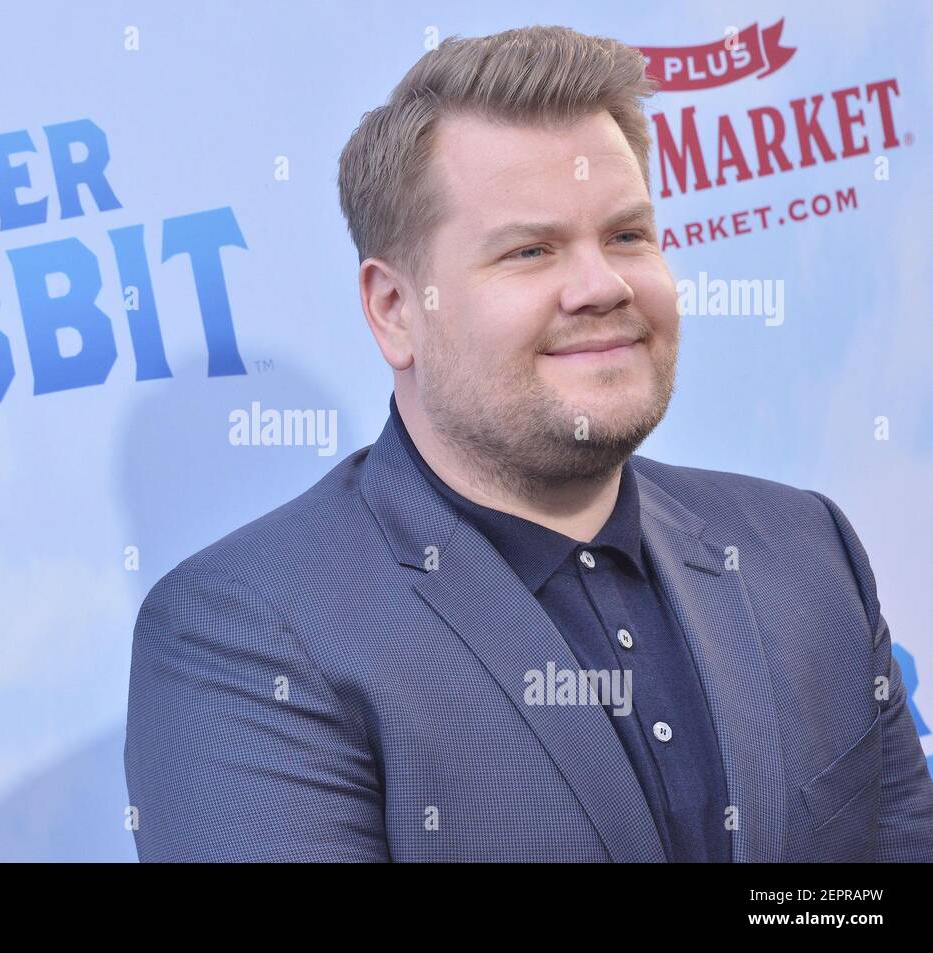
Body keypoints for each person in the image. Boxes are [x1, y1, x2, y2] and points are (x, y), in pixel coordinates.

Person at [123, 25, 933, 861]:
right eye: (531, 250)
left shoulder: (806, 550)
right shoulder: (246, 635)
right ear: (396, 309)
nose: (602, 285)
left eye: (626, 235)